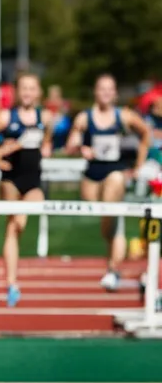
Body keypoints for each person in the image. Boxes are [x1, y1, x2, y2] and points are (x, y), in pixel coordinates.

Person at [64, 74, 151, 292]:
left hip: (116, 171)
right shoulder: (84, 118)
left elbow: (146, 133)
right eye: (101, 89)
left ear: (115, 93)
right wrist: (80, 149)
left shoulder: (124, 116)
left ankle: (112, 269)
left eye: (109, 89)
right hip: (92, 175)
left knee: (113, 214)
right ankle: (113, 259)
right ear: (95, 91)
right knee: (106, 224)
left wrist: (138, 166)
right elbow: (70, 146)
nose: (105, 93)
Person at [0, 73, 57, 308]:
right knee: (13, 227)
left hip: (34, 180)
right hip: (10, 180)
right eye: (23, 88)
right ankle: (12, 282)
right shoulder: (4, 117)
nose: (27, 93)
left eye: (31, 88)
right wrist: (1, 155)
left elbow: (47, 141)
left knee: (22, 222)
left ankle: (12, 281)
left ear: (38, 92)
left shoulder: (45, 117)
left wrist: (46, 148)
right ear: (17, 91)